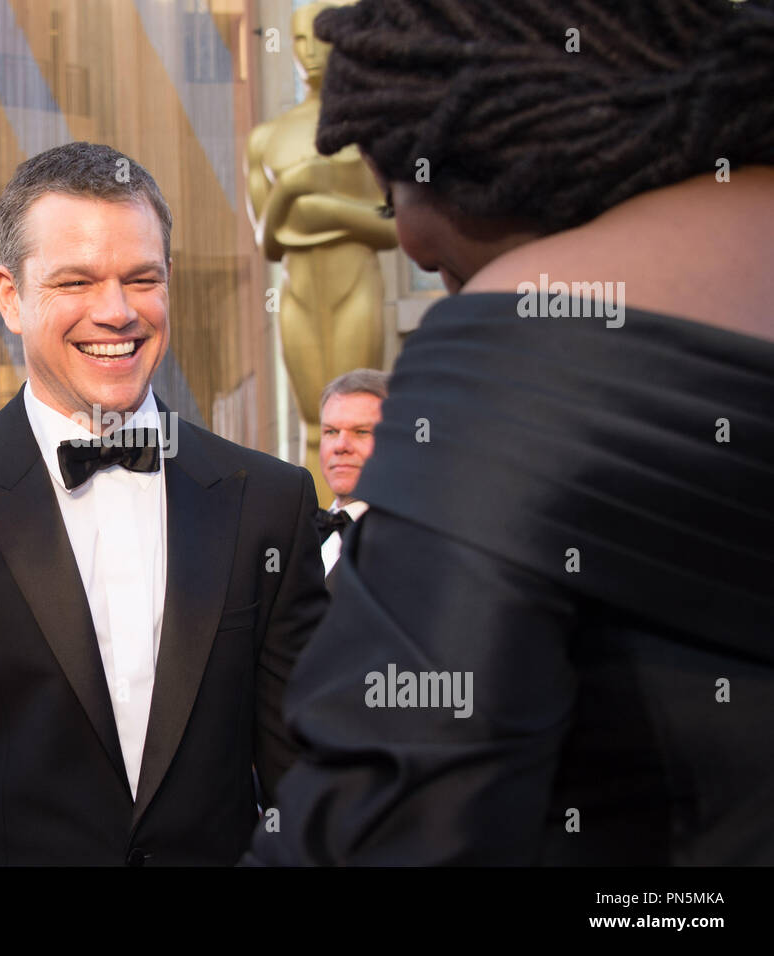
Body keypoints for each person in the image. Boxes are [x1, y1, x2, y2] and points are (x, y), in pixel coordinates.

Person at [248, 0, 774, 865]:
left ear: (478, 132)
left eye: (394, 194)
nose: (409, 244)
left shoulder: (520, 342)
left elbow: (393, 823)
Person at [0, 142, 329, 865]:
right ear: (11, 297)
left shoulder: (271, 501)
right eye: (76, 282)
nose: (116, 312)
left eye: (142, 278)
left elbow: (308, 783)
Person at [315, 369, 386, 593]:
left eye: (362, 432)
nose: (341, 446)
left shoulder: (423, 545)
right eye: (331, 431)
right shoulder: (303, 533)